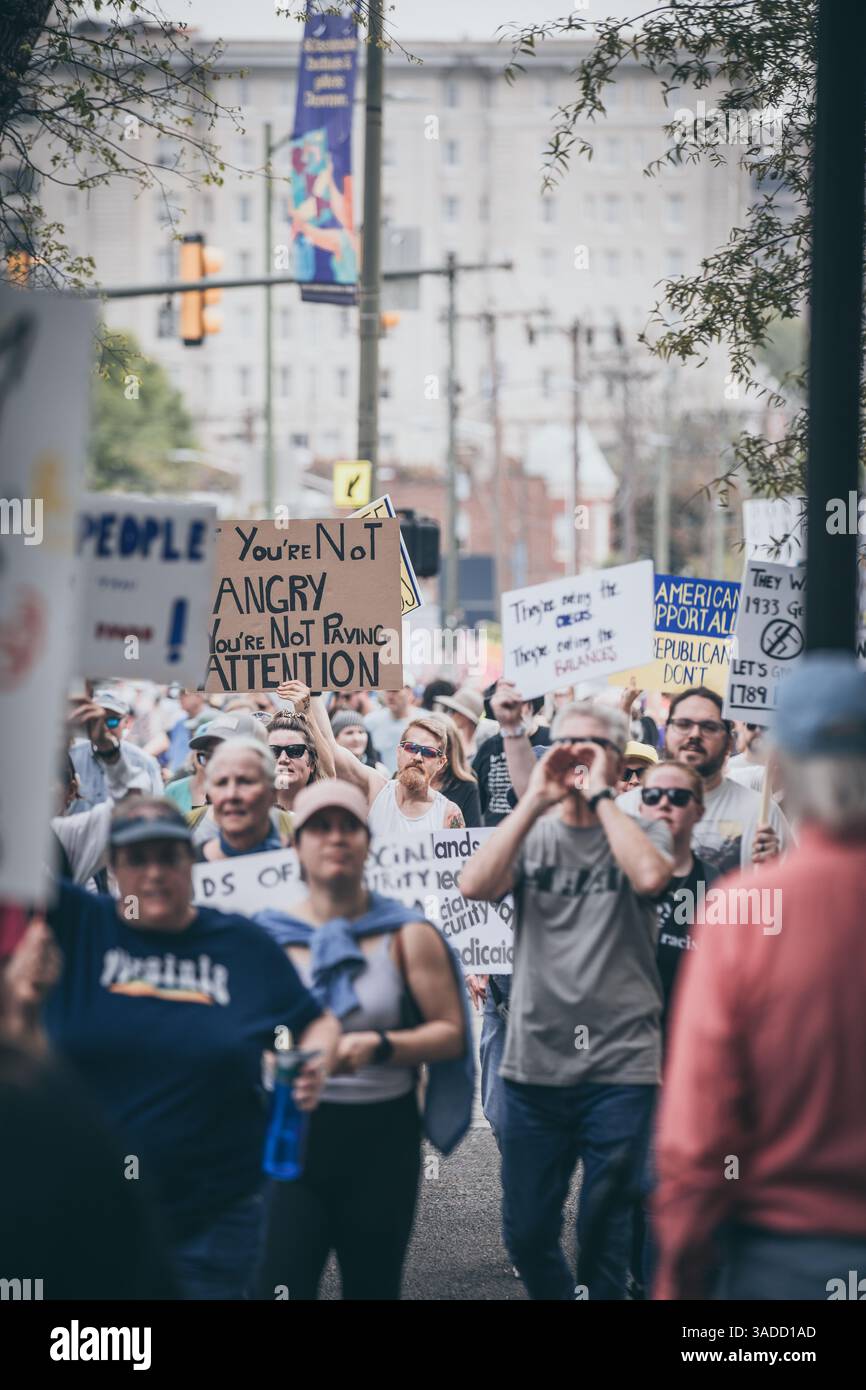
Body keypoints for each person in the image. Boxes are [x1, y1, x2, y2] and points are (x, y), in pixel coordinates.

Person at [43, 797, 339, 1299]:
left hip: (215, 1214)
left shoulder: (238, 943)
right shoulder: (78, 924)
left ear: (190, 861)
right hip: (86, 1208)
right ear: (112, 868)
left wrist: (313, 1061)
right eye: (137, 859)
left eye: (169, 857)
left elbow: (314, 1022)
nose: (154, 873)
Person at [655, 653, 866, 1300]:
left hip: (782, 1258)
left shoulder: (741, 913)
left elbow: (698, 1134)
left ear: (791, 769)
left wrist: (679, 1273)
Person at [461, 700, 673, 1300]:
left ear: (617, 756)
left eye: (596, 745)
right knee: (527, 1234)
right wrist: (535, 799)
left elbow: (652, 878)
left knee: (603, 1231)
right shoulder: (536, 831)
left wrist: (604, 797)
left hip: (620, 1065)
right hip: (536, 1063)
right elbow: (476, 885)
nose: (580, 755)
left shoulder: (647, 828)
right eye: (569, 743)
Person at [252, 780, 473, 1300]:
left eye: (348, 826)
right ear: (294, 844)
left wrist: (375, 1047)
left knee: (373, 1287)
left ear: (368, 841)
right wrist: (284, 1054)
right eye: (319, 827)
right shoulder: (266, 936)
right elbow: (244, 1033)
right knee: (277, 1286)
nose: (335, 839)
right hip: (291, 1131)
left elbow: (450, 1034)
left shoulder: (407, 934)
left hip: (381, 1136)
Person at [467, 679, 551, 1144]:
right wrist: (477, 953)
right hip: (500, 950)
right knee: (499, 1107)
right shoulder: (485, 752)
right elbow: (469, 879)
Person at [617, 687, 792, 874]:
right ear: (666, 734)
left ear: (728, 743)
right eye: (683, 724)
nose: (694, 734)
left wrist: (774, 872)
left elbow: (795, 894)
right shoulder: (626, 809)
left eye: (709, 727)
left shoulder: (762, 815)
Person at [198, 739, 292, 862]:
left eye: (245, 782)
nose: (231, 795)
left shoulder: (301, 859)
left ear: (272, 792)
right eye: (221, 783)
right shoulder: (190, 867)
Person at [69, 689, 163, 808]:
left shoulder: (144, 762)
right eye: (97, 720)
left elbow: (156, 808)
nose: (103, 728)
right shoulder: (72, 757)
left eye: (112, 721)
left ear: (126, 723)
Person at [426, 710, 482, 828]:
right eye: (425, 748)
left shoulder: (465, 785)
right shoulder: (401, 780)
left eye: (438, 749)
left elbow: (473, 833)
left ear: (451, 751)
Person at [364, 684, 415, 775]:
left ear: (409, 692)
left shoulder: (421, 721)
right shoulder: (370, 721)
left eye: (395, 691)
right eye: (387, 691)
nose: (390, 696)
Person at [434, 686, 497, 758]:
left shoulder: (482, 745)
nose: (450, 714)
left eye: (453, 710)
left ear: (465, 716)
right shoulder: (450, 740)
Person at [330, 709, 389, 777]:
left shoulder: (380, 770)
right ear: (335, 738)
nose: (356, 738)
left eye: (361, 732)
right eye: (349, 733)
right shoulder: (329, 769)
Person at [726, 719, 767, 792]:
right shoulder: (728, 767)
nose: (757, 731)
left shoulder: (781, 768)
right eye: (751, 725)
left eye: (764, 727)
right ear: (743, 729)